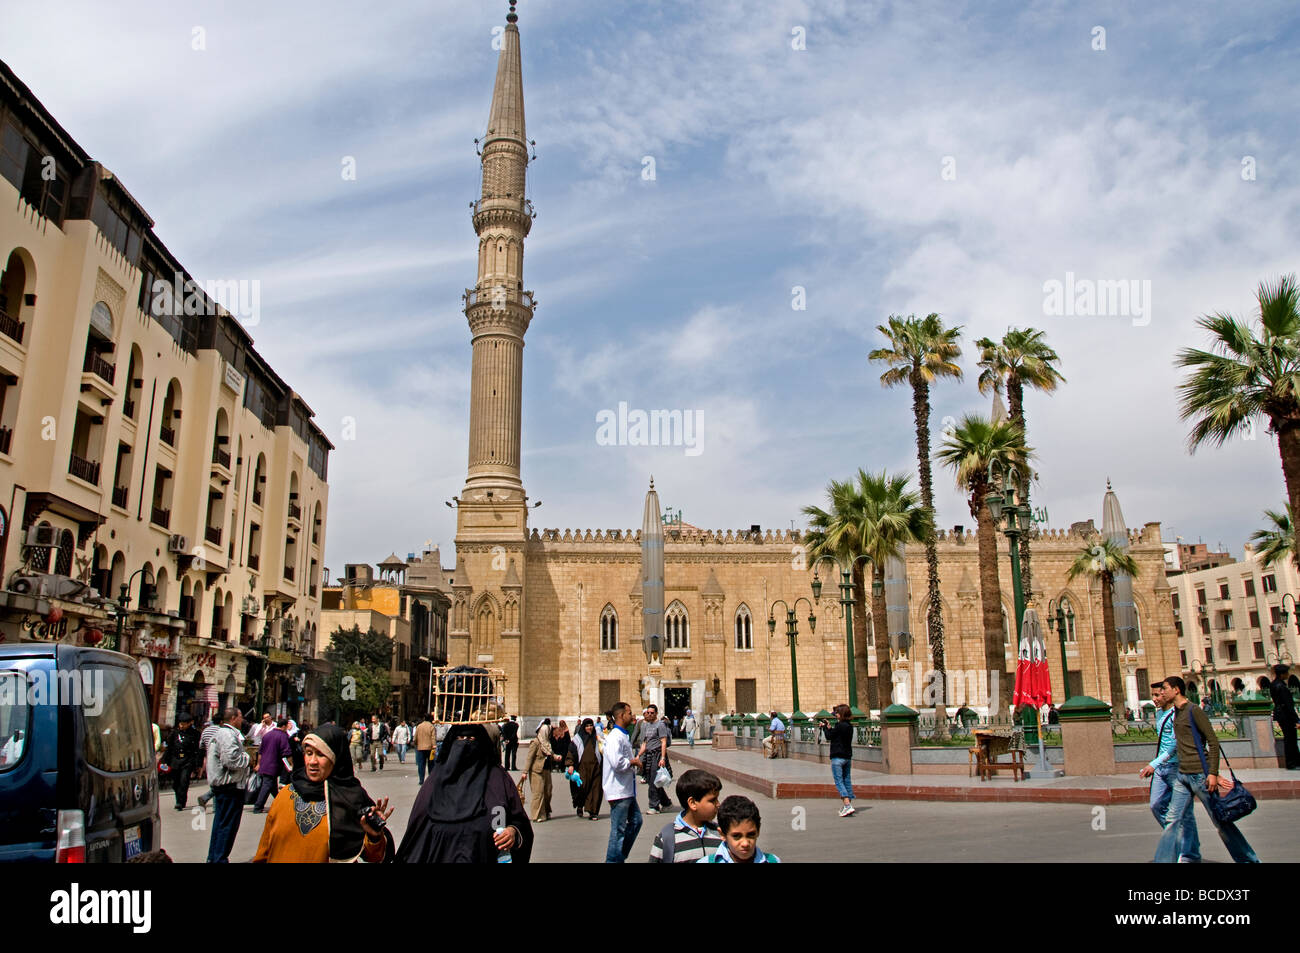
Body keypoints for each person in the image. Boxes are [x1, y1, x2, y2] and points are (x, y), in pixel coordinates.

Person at [1153, 676, 1258, 863]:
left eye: (1165, 689)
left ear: (1176, 690)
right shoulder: (1176, 712)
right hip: (1182, 776)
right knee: (1172, 820)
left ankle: (1248, 860)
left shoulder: (1194, 711)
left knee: (1221, 821)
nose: (1162, 692)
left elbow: (1213, 742)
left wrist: (1213, 773)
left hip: (1200, 775)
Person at [252, 723, 394, 862]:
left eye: (321, 755)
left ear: (336, 758)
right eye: (309, 753)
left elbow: (374, 856)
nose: (312, 761)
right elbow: (264, 851)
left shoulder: (352, 798)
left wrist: (374, 835)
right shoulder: (285, 795)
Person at [397, 723, 533, 863]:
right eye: (460, 738)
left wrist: (512, 831)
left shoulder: (497, 778)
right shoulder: (435, 781)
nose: (465, 744)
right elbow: (417, 829)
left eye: (471, 738)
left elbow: (519, 821)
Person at [1138, 680, 1199, 862]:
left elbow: (1173, 745)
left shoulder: (1176, 715)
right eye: (1154, 695)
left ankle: (1188, 852)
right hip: (1161, 768)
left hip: (1175, 767)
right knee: (1156, 805)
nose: (1156, 698)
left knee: (1185, 813)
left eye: (1159, 694)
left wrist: (1153, 764)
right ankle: (1180, 839)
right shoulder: (1159, 714)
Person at [205, 708, 251, 863]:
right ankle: (219, 858)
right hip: (229, 786)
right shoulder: (227, 734)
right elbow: (231, 760)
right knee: (227, 826)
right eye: (240, 716)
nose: (242, 720)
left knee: (221, 823)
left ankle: (214, 857)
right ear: (233, 718)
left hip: (225, 786)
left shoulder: (222, 733)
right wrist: (247, 758)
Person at [649, 769, 723, 863]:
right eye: (713, 800)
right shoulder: (667, 838)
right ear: (692, 803)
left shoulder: (720, 834)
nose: (718, 804)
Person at [602, 701, 642, 863]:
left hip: (626, 790)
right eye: (629, 713)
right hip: (618, 791)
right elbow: (617, 763)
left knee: (636, 821)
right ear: (621, 715)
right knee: (618, 830)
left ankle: (619, 857)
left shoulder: (623, 735)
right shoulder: (614, 738)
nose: (632, 716)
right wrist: (633, 762)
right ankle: (613, 860)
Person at [698, 795, 780, 863]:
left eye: (751, 835)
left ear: (758, 831)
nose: (745, 843)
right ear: (722, 834)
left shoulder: (773, 861)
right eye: (736, 836)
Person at [819, 703, 856, 817]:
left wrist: (825, 728)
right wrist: (829, 727)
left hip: (837, 757)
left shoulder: (839, 726)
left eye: (837, 713)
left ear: (840, 714)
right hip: (847, 757)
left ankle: (847, 805)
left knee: (839, 781)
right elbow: (836, 735)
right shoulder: (849, 726)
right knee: (847, 780)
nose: (836, 715)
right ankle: (848, 804)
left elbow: (830, 736)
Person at [565, 718, 603, 819]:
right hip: (583, 769)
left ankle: (593, 812)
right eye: (587, 726)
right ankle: (580, 806)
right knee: (581, 789)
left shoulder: (597, 738)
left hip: (596, 768)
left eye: (591, 725)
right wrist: (570, 764)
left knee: (595, 789)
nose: (589, 728)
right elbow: (571, 752)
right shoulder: (578, 739)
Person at [637, 704, 672, 814]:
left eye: (652, 713)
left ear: (656, 713)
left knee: (653, 780)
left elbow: (663, 742)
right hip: (648, 754)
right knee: (650, 779)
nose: (650, 714)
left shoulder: (660, 725)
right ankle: (666, 802)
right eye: (648, 713)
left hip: (657, 754)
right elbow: (645, 743)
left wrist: (662, 758)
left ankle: (654, 806)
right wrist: (638, 756)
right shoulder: (646, 725)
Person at [253, 717, 293, 814]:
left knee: (272, 786)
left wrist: (258, 764)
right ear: (283, 726)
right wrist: (291, 765)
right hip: (273, 765)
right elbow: (286, 752)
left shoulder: (267, 735)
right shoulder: (283, 736)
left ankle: (281, 803)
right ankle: (258, 806)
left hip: (264, 764)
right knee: (267, 785)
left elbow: (260, 751)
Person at [163, 713, 201, 811]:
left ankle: (180, 802)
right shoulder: (174, 733)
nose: (181, 725)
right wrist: (165, 761)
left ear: (190, 723)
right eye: (180, 723)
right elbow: (169, 748)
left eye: (184, 723)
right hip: (175, 760)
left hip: (187, 760)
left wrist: (198, 764)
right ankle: (179, 797)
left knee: (184, 781)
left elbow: (198, 750)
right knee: (176, 783)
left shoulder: (195, 734)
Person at [524, 722, 558, 822]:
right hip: (536, 771)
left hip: (546, 769)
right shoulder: (535, 742)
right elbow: (529, 758)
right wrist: (525, 772)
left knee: (548, 792)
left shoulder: (547, 743)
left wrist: (555, 757)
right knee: (538, 793)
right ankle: (537, 815)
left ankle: (546, 811)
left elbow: (550, 753)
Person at [1271, 664, 1300, 769]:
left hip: (1281, 715)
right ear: (1282, 674)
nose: (1288, 674)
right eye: (1287, 673)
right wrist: (1296, 719)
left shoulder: (1274, 684)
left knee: (1290, 739)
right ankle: (1292, 763)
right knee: (1290, 740)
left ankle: (1296, 761)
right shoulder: (1281, 687)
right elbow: (1288, 705)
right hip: (1286, 716)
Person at [414, 713, 436, 784]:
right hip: (429, 748)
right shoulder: (431, 726)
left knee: (421, 764)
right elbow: (433, 737)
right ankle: (431, 780)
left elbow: (415, 737)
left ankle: (421, 780)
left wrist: (416, 744)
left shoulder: (419, 726)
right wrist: (434, 746)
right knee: (431, 764)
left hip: (420, 748)